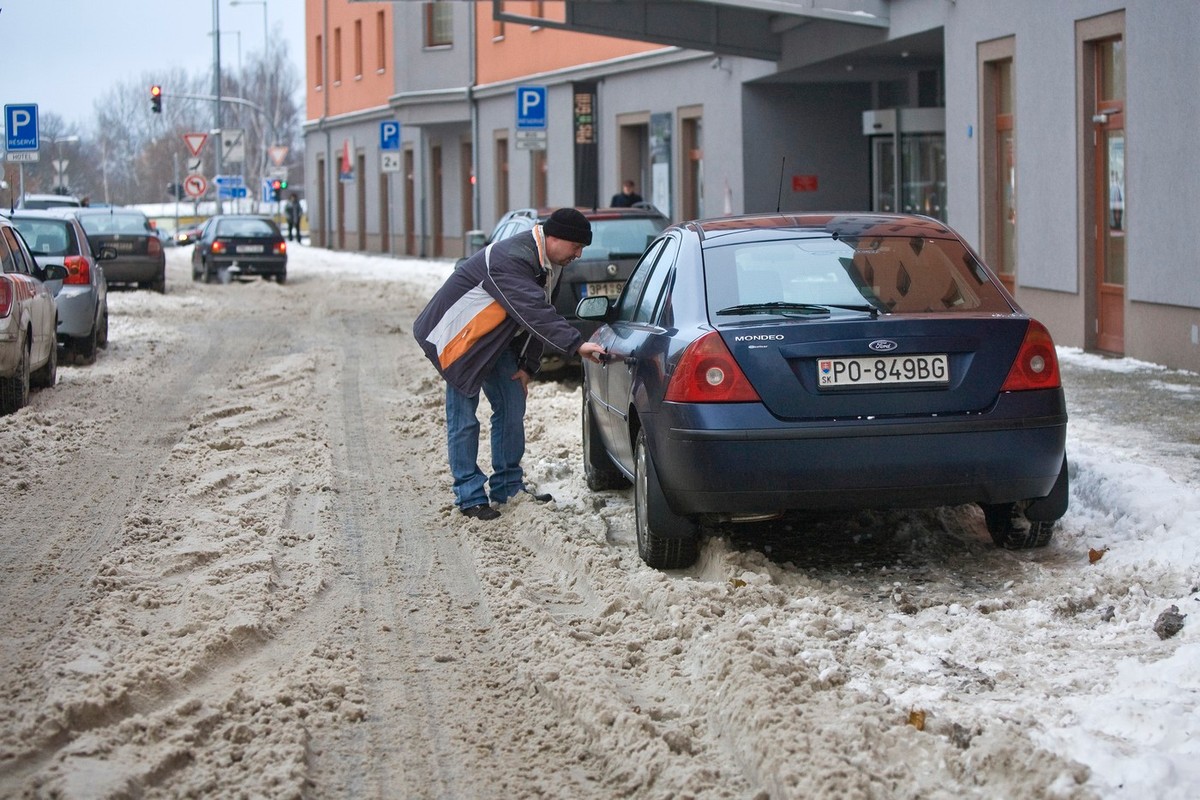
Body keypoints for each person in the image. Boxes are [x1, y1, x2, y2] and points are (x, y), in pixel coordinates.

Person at [413, 208, 608, 521]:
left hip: (495, 341)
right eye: (576, 247)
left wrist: (528, 367)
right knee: (464, 418)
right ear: (555, 238)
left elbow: (536, 314)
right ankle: (470, 496)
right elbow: (532, 310)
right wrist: (576, 344)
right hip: (458, 340)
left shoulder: (551, 263)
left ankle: (508, 487)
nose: (579, 255)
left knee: (512, 405)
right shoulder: (511, 258)